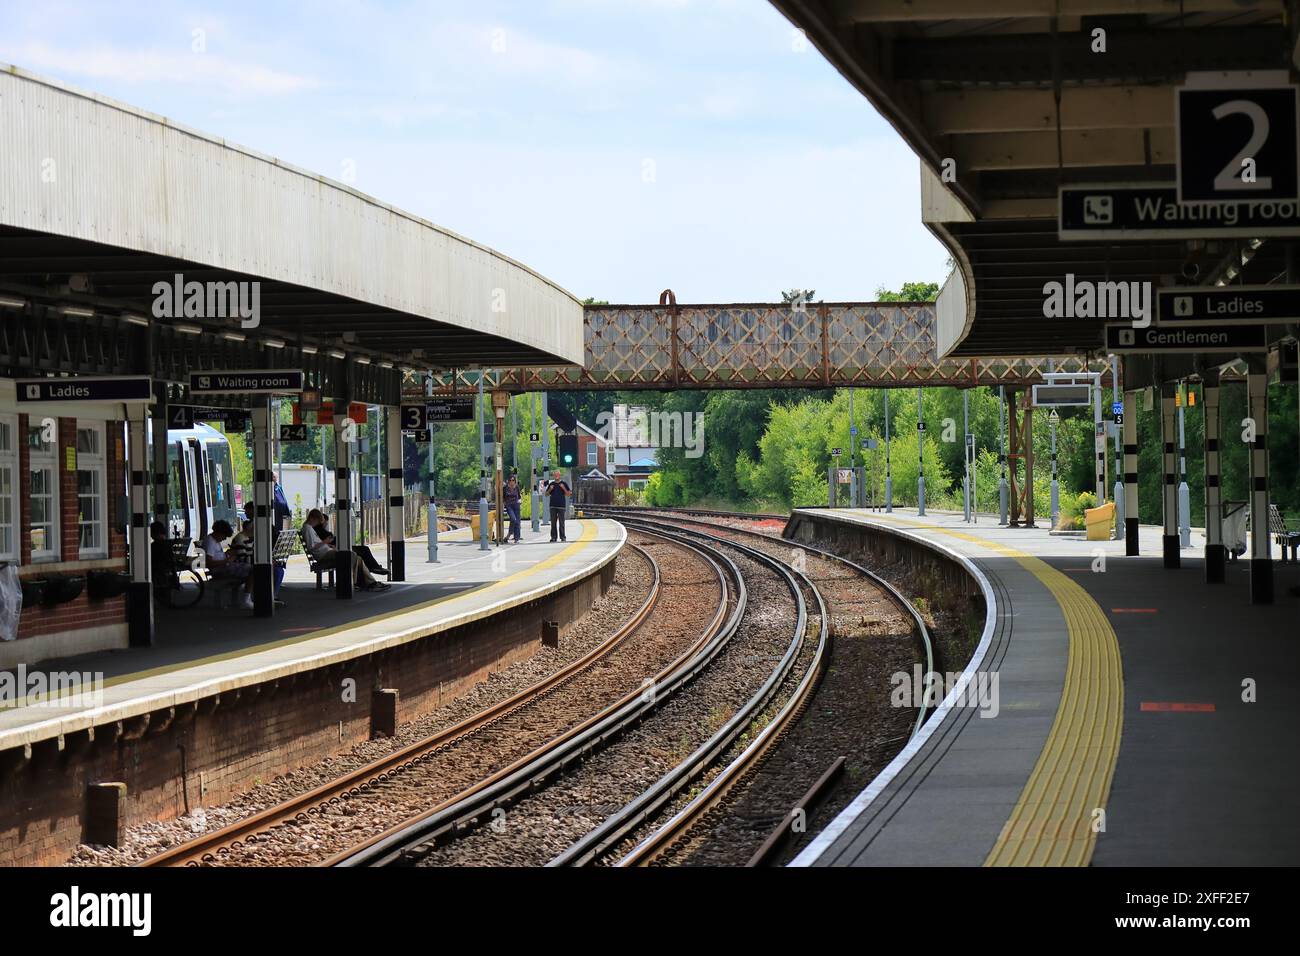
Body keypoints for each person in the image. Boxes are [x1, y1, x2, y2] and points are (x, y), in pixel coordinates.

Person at [302, 509, 389, 591]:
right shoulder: (307, 528)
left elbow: (315, 544)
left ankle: (370, 583)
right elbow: (311, 547)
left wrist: (328, 545)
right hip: (323, 555)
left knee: (357, 558)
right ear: (312, 518)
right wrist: (325, 542)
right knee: (351, 555)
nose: (317, 524)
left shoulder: (309, 528)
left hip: (327, 551)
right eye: (317, 521)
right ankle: (356, 583)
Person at [202, 519, 254, 609]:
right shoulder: (210, 542)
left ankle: (244, 599)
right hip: (220, 569)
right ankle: (246, 600)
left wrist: (227, 554)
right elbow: (209, 563)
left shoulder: (214, 541)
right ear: (219, 532)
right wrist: (227, 561)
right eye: (224, 536)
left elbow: (217, 556)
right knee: (253, 570)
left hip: (224, 566)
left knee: (252, 569)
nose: (224, 539)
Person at [545, 470, 571, 543]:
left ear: (560, 475)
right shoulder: (551, 484)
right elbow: (546, 494)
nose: (556, 476)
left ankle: (563, 537)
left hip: (561, 506)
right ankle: (553, 537)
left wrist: (563, 488)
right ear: (553, 476)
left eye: (557, 474)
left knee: (561, 523)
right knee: (553, 523)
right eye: (555, 474)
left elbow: (568, 494)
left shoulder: (564, 483)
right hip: (553, 506)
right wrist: (550, 489)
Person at [503, 475, 522, 543]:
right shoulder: (505, 488)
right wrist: (504, 503)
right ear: (508, 481)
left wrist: (520, 501)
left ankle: (516, 538)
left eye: (513, 480)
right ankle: (508, 535)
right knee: (513, 519)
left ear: (515, 481)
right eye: (510, 480)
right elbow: (503, 497)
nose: (511, 482)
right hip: (509, 505)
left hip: (516, 505)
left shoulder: (516, 487)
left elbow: (519, 496)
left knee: (517, 522)